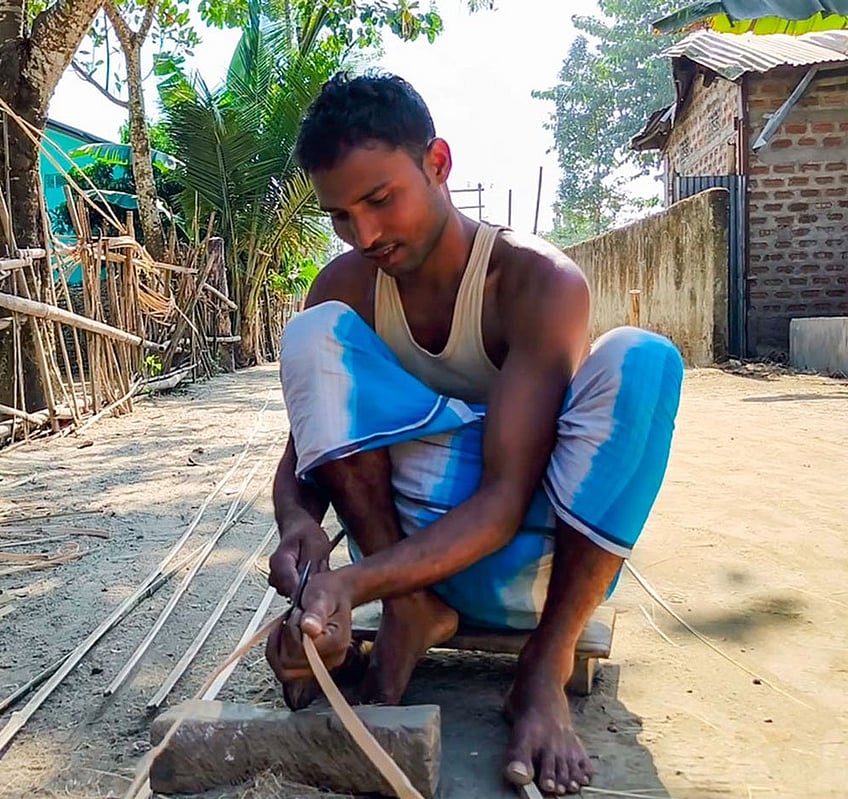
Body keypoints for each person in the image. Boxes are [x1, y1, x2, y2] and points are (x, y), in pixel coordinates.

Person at [264, 71, 684, 797]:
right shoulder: (344, 288)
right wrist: (298, 524)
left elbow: (504, 499)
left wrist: (352, 583)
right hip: (406, 564)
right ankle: (410, 613)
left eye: (379, 200)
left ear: (438, 163)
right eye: (340, 216)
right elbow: (303, 455)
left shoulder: (537, 283)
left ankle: (545, 666)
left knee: (644, 359)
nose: (365, 235)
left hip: (537, 567)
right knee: (311, 333)